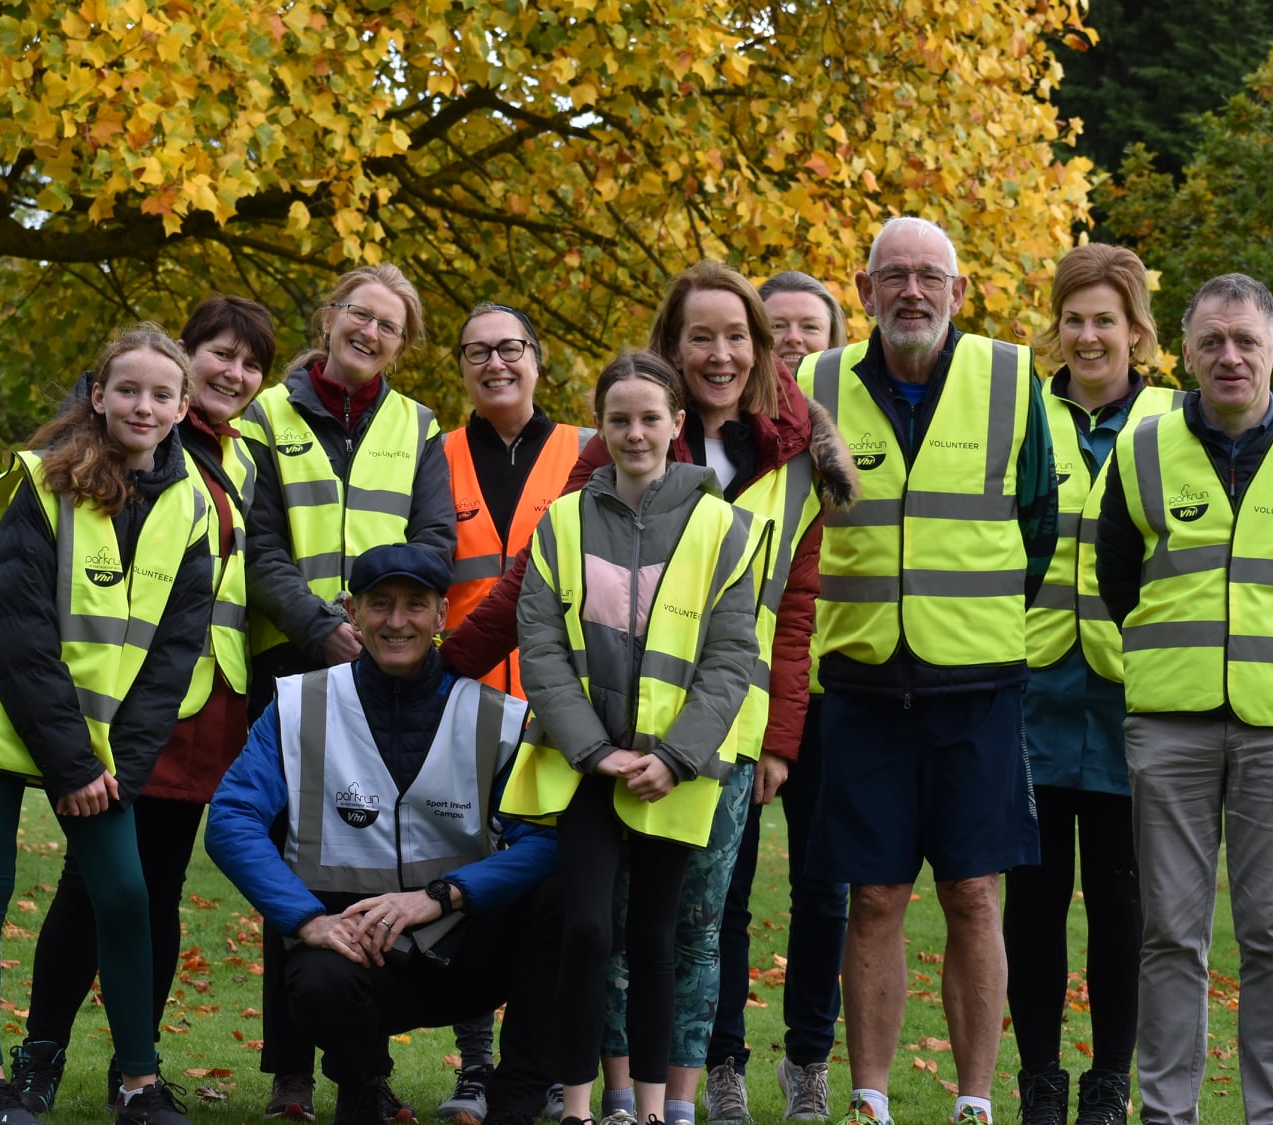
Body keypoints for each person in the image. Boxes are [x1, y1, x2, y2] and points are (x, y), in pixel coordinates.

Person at [441, 264, 858, 1125]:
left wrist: (780, 735)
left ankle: (710, 1075)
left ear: (761, 346)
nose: (719, 351)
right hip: (615, 732)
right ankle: (616, 1091)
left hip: (723, 726)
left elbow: (793, 606)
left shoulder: (789, 450)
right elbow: (537, 582)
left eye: (736, 334)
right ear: (673, 348)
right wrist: (439, 661)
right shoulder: (620, 439)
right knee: (620, 922)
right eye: (700, 335)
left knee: (710, 917)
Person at [1093, 273, 1273, 1125]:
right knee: (1170, 936)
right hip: (1169, 726)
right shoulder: (1142, 450)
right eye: (1212, 341)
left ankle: (1271, 1116)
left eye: (1246, 341)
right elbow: (1118, 577)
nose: (1229, 356)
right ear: (1186, 352)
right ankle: (1169, 1115)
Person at [792, 216, 1058, 1125]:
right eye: (893, 276)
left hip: (977, 684)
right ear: (862, 292)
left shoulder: (1012, 378)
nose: (912, 291)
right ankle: (869, 1098)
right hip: (862, 681)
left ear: (958, 289)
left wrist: (967, 617)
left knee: (975, 892)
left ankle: (975, 1100)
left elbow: (1039, 523)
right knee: (872, 893)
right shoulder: (813, 384)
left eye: (929, 275)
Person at [0, 324, 215, 1125]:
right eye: (128, 388)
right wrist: (72, 764)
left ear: (183, 407)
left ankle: (138, 1084)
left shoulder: (194, 506)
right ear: (97, 395)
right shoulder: (39, 482)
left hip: (96, 751)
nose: (143, 404)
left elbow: (173, 656)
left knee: (124, 893)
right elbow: (17, 633)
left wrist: (118, 763)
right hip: (3, 721)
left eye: (162, 393)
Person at [7, 297, 274, 1114]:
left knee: (155, 886)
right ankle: (42, 1054)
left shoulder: (238, 458)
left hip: (206, 700)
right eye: (218, 355)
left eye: (251, 363)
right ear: (183, 362)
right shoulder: (133, 449)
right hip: (132, 705)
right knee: (94, 885)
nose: (234, 373)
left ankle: (138, 1067)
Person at [205, 543, 561, 1125]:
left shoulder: (497, 715)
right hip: (351, 951)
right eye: (380, 605)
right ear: (352, 611)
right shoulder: (299, 705)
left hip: (462, 947)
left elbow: (545, 840)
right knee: (318, 980)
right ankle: (362, 1086)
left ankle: (515, 1100)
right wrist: (307, 920)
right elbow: (230, 820)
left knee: (565, 898)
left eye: (415, 605)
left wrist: (442, 895)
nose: (397, 622)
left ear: (443, 614)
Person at [499, 350, 764, 1125]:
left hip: (674, 772)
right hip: (585, 768)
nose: (635, 431)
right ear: (602, 426)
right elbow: (539, 647)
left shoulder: (722, 525)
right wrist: (595, 750)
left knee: (653, 936)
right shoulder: (565, 519)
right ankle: (580, 1108)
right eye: (619, 418)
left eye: (650, 417)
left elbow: (730, 656)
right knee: (585, 930)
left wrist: (673, 755)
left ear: (677, 424)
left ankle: (651, 1112)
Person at [237, 264, 455, 1119]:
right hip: (291, 663)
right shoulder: (265, 415)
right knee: (289, 867)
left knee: (371, 859)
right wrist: (317, 627)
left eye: (389, 326)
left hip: (384, 669)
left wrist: (374, 626)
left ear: (403, 343)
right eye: (359, 315)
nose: (370, 333)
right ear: (330, 317)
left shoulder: (418, 424)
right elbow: (255, 544)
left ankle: (360, 1068)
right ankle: (292, 1069)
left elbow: (435, 536)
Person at [1003, 246, 1182, 1125]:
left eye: (1104, 318)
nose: (1087, 334)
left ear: (1137, 330)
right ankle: (1040, 1078)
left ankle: (1110, 1082)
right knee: (1032, 898)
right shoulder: (1023, 413)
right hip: (1031, 688)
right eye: (1073, 317)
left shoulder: (1177, 422)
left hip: (1132, 693)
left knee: (1121, 900)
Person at [704, 270, 852, 1125]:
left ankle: (807, 1060)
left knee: (823, 889)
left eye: (811, 327)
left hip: (840, 692)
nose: (795, 340)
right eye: (780, 326)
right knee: (720, 890)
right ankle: (722, 1059)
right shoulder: (740, 437)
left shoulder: (845, 436)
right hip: (739, 696)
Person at [438, 303, 584, 1124]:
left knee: (559, 895)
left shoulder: (583, 450)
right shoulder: (438, 457)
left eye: (511, 348)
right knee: (471, 879)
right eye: (477, 352)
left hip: (560, 710)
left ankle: (557, 1066)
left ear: (538, 357)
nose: (495, 363)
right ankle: (474, 1063)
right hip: (462, 707)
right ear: (461, 365)